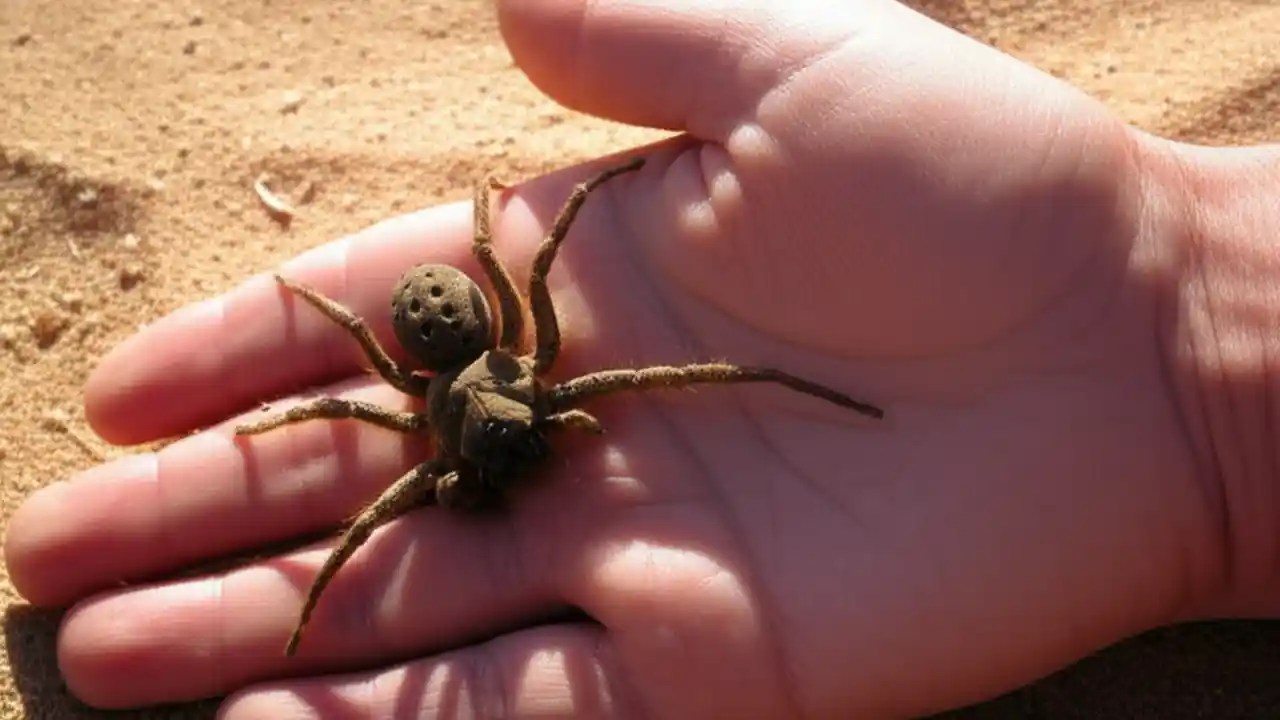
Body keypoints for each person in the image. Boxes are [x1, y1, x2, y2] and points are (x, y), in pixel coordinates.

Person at [6, 0, 1278, 717]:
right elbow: (430, 409)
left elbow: (537, 270)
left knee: (641, 376)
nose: (519, 439)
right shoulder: (429, 418)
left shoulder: (535, 367)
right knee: (420, 474)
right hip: (451, 353)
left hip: (478, 339)